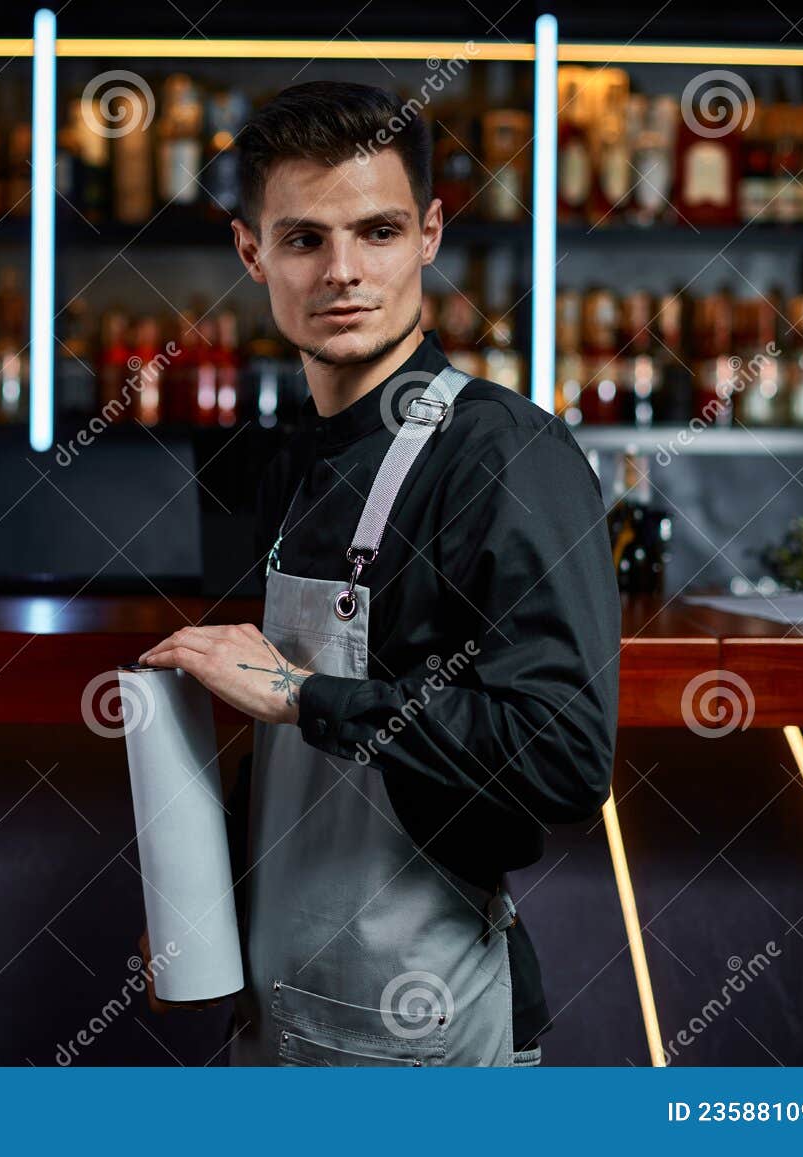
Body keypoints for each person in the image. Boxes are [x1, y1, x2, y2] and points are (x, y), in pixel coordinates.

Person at [138, 80, 619, 1066]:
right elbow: (286, 767)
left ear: (431, 233)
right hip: (275, 1011)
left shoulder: (501, 455)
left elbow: (565, 756)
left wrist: (306, 693)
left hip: (420, 1026)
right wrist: (200, 907)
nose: (343, 272)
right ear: (251, 253)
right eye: (305, 239)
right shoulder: (287, 461)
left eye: (380, 231)